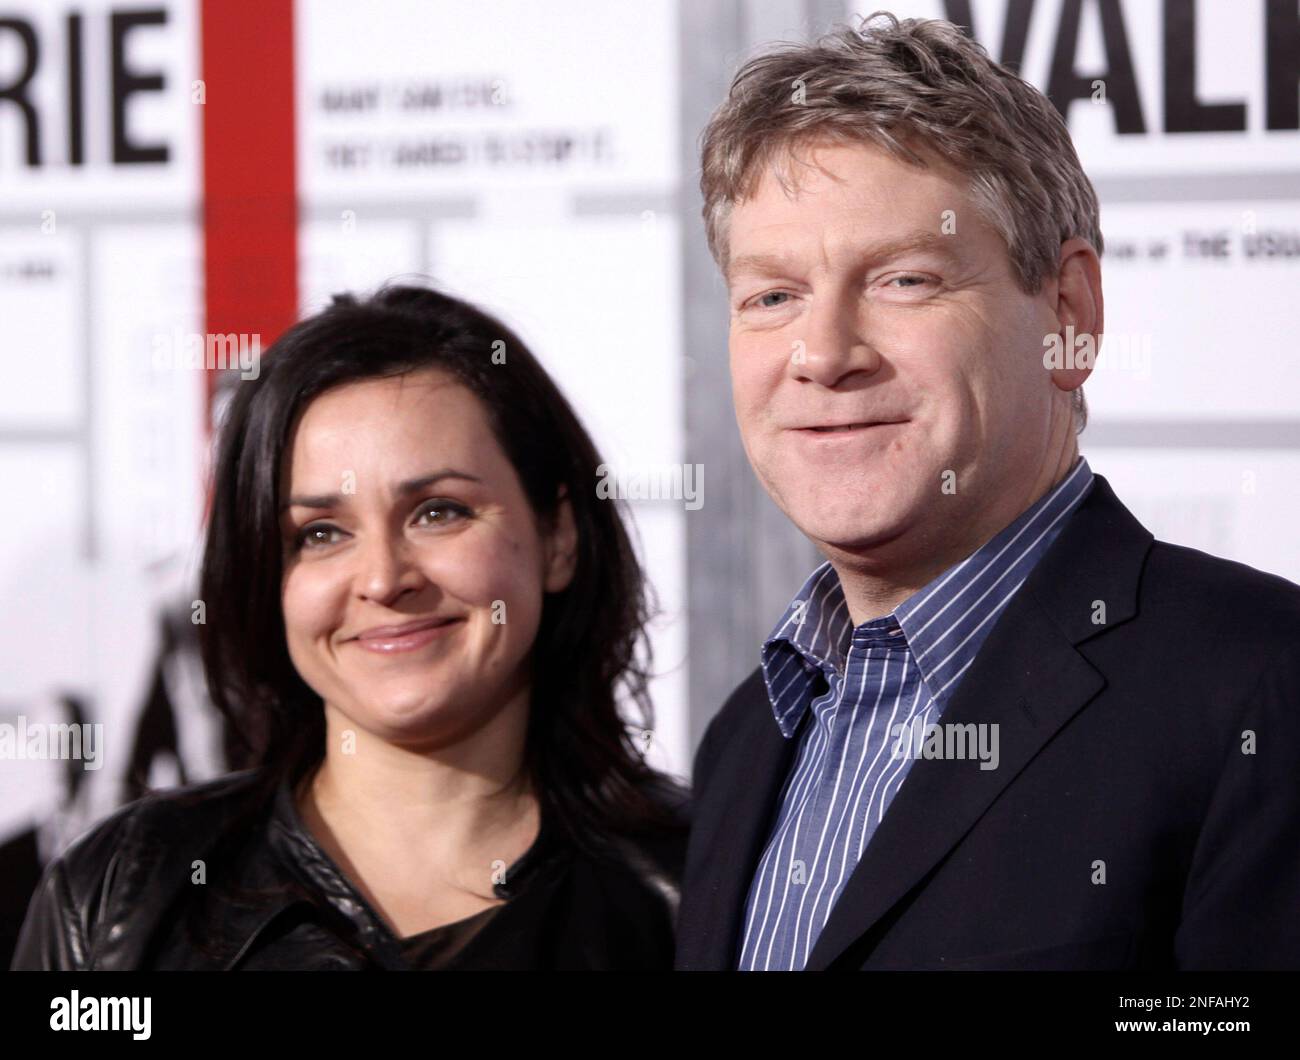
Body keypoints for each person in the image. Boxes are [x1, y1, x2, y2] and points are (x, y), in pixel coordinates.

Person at [676, 13, 1300, 970]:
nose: (824, 355)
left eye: (904, 280)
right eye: (773, 296)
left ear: (1069, 317)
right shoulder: (746, 737)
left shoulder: (1263, 687)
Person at [12, 284, 687, 970]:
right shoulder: (117, 902)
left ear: (558, 538)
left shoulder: (699, 893)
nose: (383, 578)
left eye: (439, 511)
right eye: (322, 533)